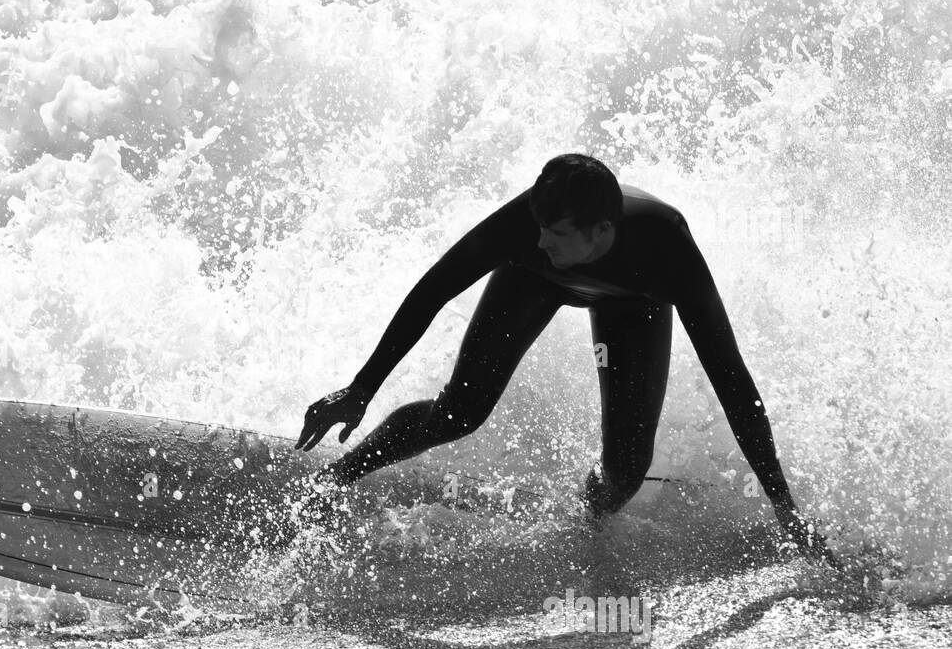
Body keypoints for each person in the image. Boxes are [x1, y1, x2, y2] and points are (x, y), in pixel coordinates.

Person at [294, 153, 835, 565]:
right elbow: (432, 290)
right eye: (537, 226)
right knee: (459, 413)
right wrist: (361, 388)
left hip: (633, 305)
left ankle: (588, 519)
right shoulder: (527, 236)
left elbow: (731, 379)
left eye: (555, 234)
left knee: (627, 470)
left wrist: (785, 510)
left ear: (602, 230)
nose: (539, 239)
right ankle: (334, 482)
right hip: (533, 285)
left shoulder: (666, 250)